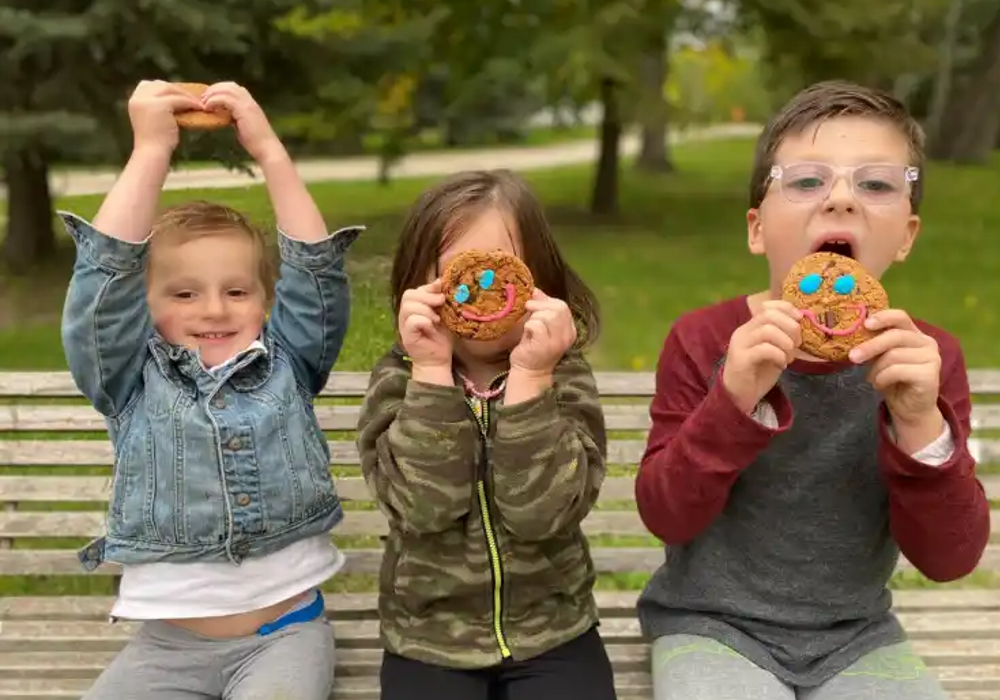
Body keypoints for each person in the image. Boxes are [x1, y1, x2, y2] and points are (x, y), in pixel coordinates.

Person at [634, 79, 991, 700]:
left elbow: (949, 558)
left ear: (906, 236)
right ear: (757, 229)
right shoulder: (703, 341)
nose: (842, 200)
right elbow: (666, 514)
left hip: (858, 635)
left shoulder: (927, 362)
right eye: (806, 180)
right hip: (711, 627)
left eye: (876, 182)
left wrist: (917, 425)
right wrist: (733, 400)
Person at [60, 79, 362, 700]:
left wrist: (268, 149)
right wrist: (150, 151)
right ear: (143, 308)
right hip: (166, 651)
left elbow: (315, 273)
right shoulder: (128, 380)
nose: (215, 309)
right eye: (184, 292)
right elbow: (101, 288)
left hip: (284, 637)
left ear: (263, 301)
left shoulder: (290, 363)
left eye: (236, 290)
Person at [356, 169, 617, 700]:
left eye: (505, 272)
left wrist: (531, 377)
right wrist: (429, 371)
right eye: (460, 276)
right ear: (420, 285)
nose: (484, 292)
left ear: (539, 283)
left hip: (555, 631)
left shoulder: (563, 379)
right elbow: (423, 508)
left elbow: (542, 513)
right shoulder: (398, 382)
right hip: (427, 638)